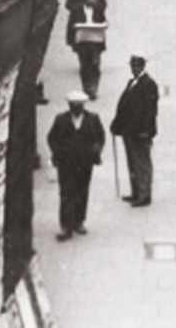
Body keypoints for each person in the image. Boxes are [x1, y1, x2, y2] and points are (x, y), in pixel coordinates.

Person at [47, 90, 106, 241]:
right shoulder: (61, 120)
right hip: (66, 163)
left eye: (79, 106)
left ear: (83, 106)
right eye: (74, 106)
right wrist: (57, 152)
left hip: (85, 163)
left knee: (82, 191)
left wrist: (96, 149)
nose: (77, 109)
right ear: (69, 105)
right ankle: (66, 225)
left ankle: (79, 221)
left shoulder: (93, 119)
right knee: (66, 193)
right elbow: (51, 138)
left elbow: (100, 136)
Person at [110, 55, 159, 207]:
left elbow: (150, 110)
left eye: (137, 66)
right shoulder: (132, 82)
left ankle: (144, 195)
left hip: (140, 131)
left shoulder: (148, 84)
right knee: (132, 162)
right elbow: (125, 105)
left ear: (142, 66)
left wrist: (146, 130)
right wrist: (117, 123)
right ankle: (136, 191)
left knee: (141, 163)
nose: (134, 69)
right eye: (132, 66)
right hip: (129, 130)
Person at [65, 0, 108, 99]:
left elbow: (103, 21)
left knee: (95, 64)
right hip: (82, 41)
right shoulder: (77, 9)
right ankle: (86, 88)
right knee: (84, 66)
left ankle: (93, 88)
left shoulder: (98, 8)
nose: (92, 2)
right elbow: (71, 20)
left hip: (95, 41)